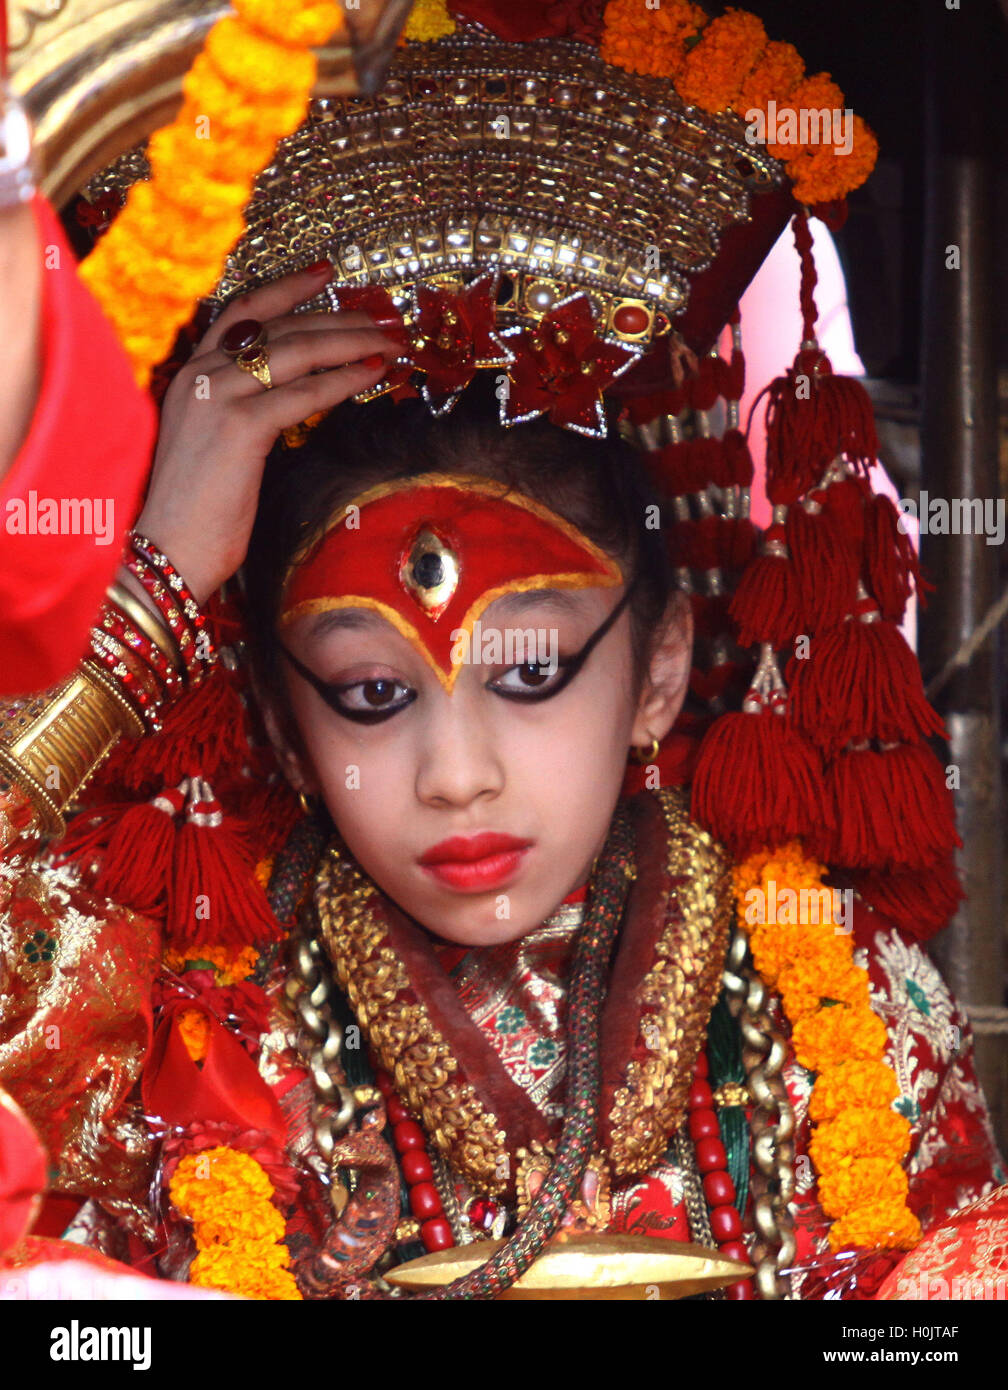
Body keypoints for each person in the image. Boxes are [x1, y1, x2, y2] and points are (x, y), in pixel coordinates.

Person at [0, 5, 1003, 1300]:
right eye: (370, 694)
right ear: (280, 716)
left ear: (657, 667)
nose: (457, 774)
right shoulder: (192, 1019)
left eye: (531, 673)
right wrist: (148, 597)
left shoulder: (844, 982)